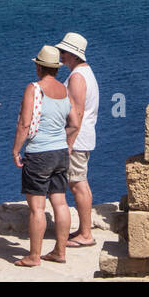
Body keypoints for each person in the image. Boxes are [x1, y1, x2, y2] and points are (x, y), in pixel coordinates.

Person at [12, 45, 78, 266]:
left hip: (39, 153)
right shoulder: (65, 90)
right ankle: (60, 251)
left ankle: (34, 256)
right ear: (56, 69)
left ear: (39, 67)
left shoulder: (34, 88)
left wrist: (16, 150)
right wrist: (64, 142)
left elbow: (24, 123)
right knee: (60, 203)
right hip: (60, 152)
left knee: (37, 208)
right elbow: (75, 123)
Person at [56, 31, 98, 248]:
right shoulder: (84, 73)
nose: (61, 55)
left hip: (77, 139)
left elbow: (77, 113)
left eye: (63, 52)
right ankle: (84, 229)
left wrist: (68, 144)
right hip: (83, 137)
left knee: (77, 184)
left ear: (73, 54)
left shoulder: (77, 77)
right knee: (80, 182)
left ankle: (85, 233)